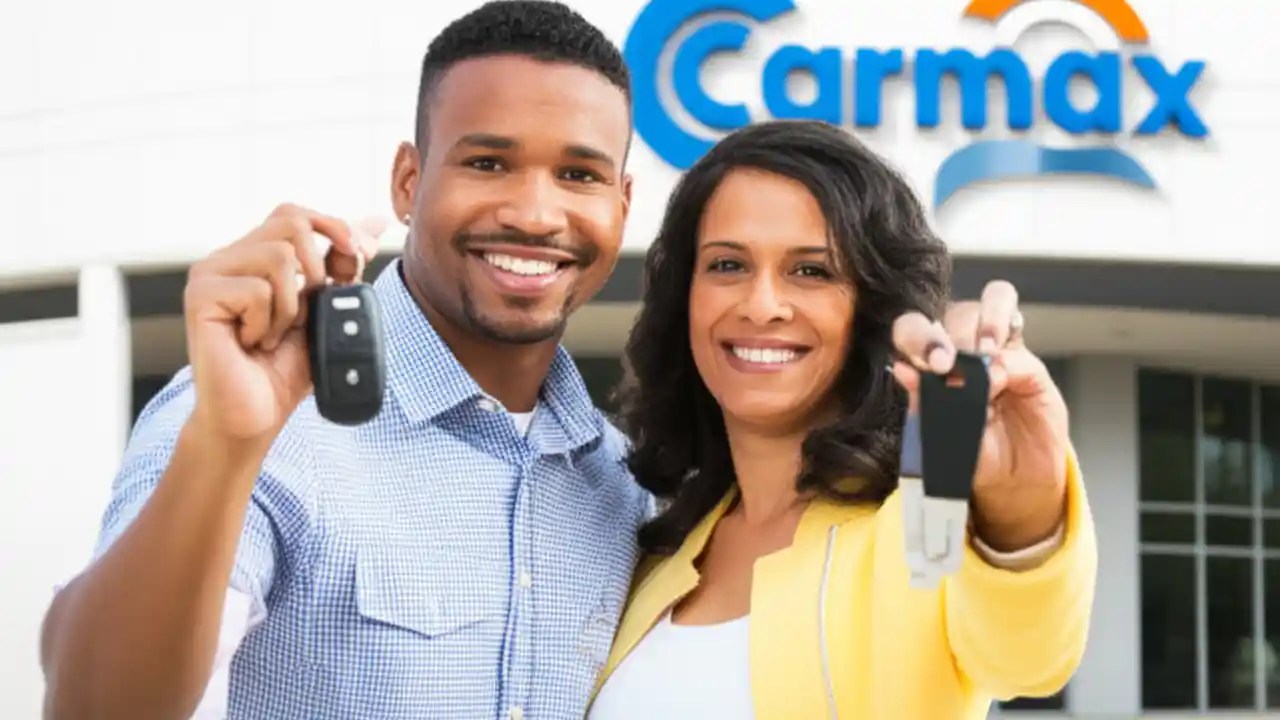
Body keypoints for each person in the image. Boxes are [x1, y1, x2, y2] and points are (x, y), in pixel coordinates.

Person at [38, 3, 651, 718]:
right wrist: (227, 445)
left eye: (579, 175)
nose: (536, 214)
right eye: (488, 162)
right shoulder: (254, 422)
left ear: (623, 202)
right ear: (407, 180)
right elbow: (96, 707)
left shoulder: (625, 487)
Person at [586, 120, 1098, 719]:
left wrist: (1020, 508)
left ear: (870, 307)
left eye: (812, 271)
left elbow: (1027, 660)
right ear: (686, 296)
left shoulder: (913, 522)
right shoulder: (656, 552)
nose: (762, 305)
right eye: (728, 265)